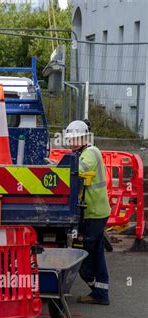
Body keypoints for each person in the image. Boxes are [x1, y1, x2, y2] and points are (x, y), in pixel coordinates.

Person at [65, 120, 111, 305]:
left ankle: (96, 288)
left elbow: (79, 170)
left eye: (73, 139)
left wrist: (59, 168)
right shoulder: (83, 152)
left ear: (83, 138)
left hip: (93, 213)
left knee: (84, 255)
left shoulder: (90, 153)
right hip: (95, 212)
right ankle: (101, 293)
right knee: (97, 254)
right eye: (69, 139)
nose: (70, 142)